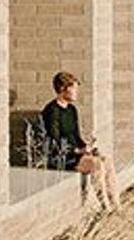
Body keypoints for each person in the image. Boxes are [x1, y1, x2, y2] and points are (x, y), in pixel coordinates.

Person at [42, 70, 119, 210]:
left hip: (77, 153)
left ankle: (116, 205)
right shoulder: (51, 111)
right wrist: (77, 150)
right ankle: (105, 207)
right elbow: (55, 142)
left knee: (107, 161)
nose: (76, 93)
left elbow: (76, 136)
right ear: (62, 89)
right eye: (73, 89)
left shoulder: (71, 109)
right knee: (96, 164)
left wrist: (88, 147)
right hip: (63, 157)